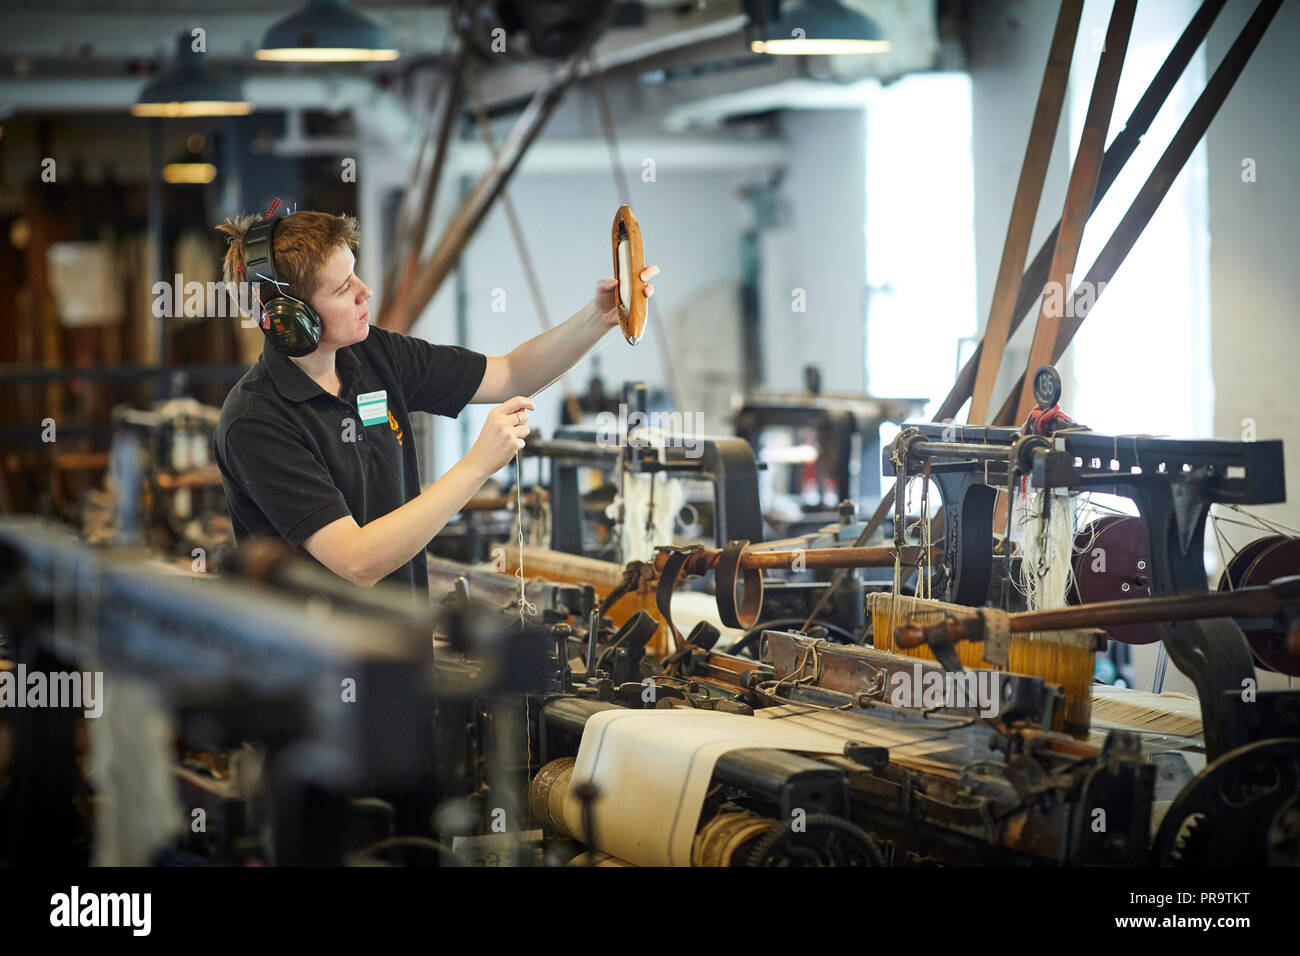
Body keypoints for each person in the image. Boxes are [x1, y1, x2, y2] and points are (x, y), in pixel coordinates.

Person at [213, 209, 657, 595]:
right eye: (343, 288)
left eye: (357, 274)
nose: (365, 291)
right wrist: (476, 467)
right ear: (291, 319)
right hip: (316, 679)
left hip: (404, 660)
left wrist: (599, 318)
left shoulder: (373, 355)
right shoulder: (256, 422)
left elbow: (510, 374)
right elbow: (357, 560)